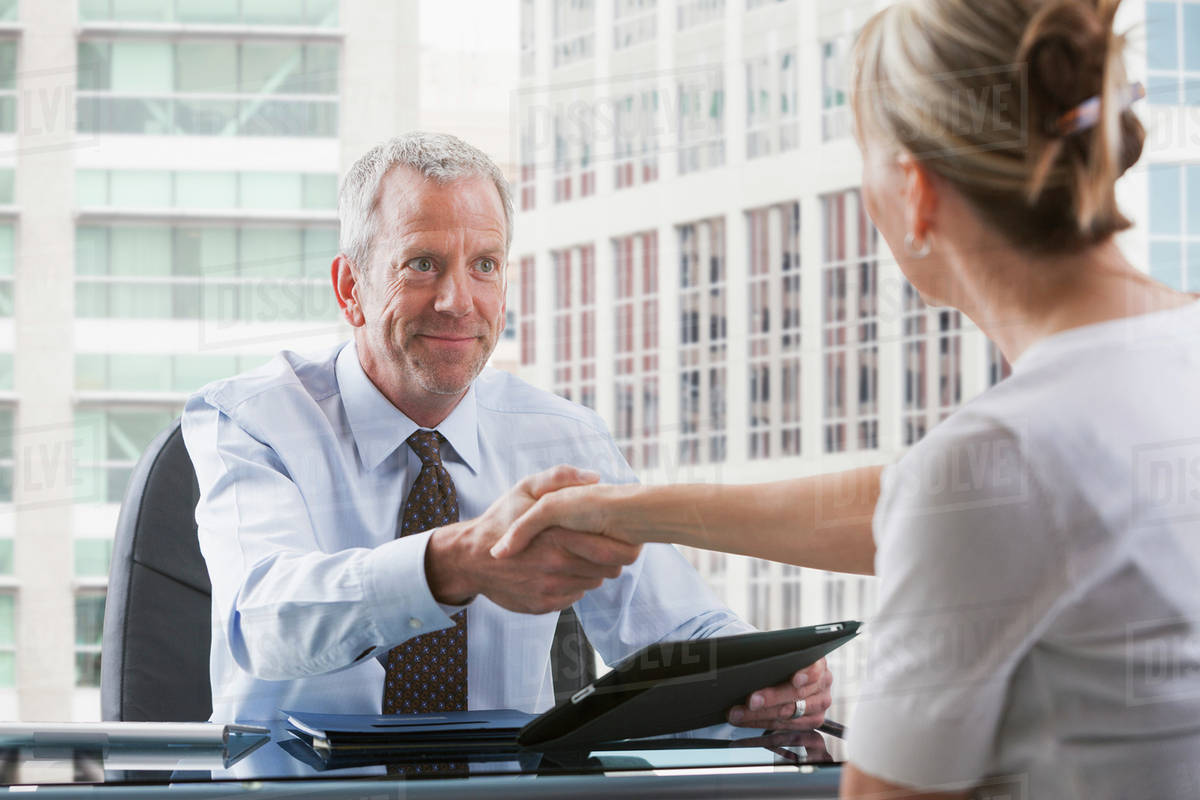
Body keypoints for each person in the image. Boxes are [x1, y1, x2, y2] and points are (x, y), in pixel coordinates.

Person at [491, 1, 1200, 797]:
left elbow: (963, 504)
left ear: (916, 189)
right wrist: (628, 512)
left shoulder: (1001, 460)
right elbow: (924, 505)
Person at [181, 131, 833, 728]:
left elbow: (674, 628)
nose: (458, 301)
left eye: (485, 265)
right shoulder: (251, 419)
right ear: (350, 287)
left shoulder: (560, 435)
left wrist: (765, 677)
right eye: (422, 264)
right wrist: (452, 565)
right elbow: (264, 621)